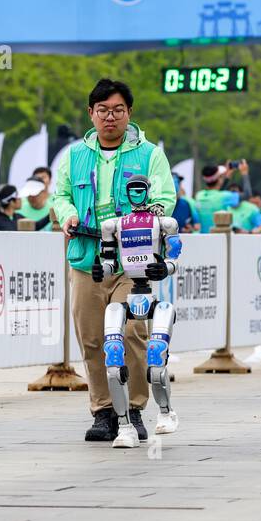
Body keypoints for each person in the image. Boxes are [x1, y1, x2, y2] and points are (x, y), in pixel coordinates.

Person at [50, 77, 175, 443]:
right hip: (87, 258)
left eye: (118, 110)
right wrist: (67, 213)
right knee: (92, 339)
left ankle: (133, 409)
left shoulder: (150, 154)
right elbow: (60, 195)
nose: (110, 117)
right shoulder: (74, 156)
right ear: (91, 113)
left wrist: (143, 218)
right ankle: (104, 411)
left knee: (132, 334)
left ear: (129, 113)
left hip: (132, 260)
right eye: (102, 110)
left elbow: (165, 198)